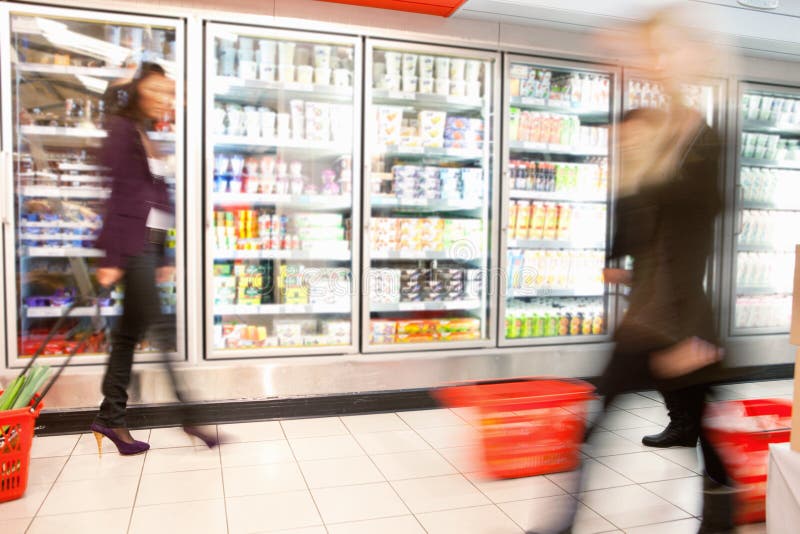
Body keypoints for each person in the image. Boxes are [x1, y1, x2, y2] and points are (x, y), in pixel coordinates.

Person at [90, 62, 216, 455]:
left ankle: (110, 417)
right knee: (161, 330)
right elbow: (116, 196)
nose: (165, 99)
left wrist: (165, 252)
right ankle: (189, 415)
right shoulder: (121, 130)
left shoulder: (146, 134)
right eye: (157, 90)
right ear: (136, 91)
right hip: (130, 247)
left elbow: (158, 200)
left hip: (147, 246)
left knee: (128, 335)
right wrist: (112, 256)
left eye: (169, 92)